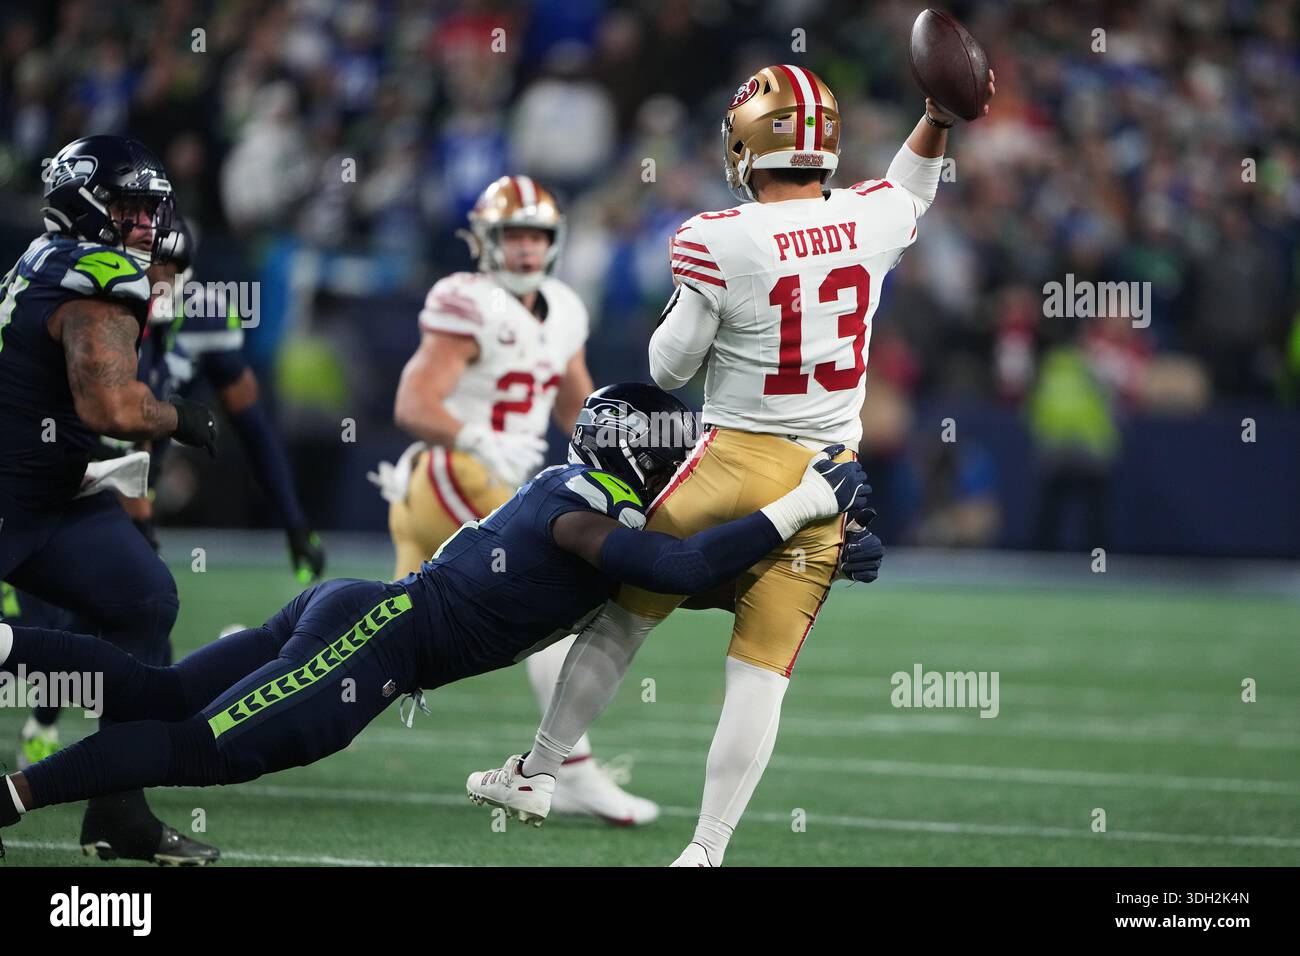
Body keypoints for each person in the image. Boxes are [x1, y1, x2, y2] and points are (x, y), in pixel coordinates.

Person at [468, 63, 992, 865]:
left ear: (749, 143)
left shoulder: (717, 236)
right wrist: (938, 116)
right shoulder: (871, 219)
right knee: (761, 673)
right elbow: (910, 186)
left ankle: (538, 770)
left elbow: (669, 368)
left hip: (727, 457)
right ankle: (706, 851)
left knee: (624, 618)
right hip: (825, 477)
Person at [0, 383, 876, 857]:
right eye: (676, 454)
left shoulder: (593, 507)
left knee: (162, 690)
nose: (688, 470)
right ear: (640, 455)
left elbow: (684, 579)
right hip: (372, 643)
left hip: (366, 618)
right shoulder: (580, 514)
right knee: (197, 744)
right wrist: (800, 506)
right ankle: (17, 794)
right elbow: (680, 564)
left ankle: (6, 645)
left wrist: (813, 556)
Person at [375, 176, 658, 823]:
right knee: (558, 590)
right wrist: (474, 435)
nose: (526, 249)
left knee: (379, 647)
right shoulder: (466, 300)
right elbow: (413, 403)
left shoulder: (561, 307)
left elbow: (584, 414)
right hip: (456, 473)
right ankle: (564, 769)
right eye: (513, 235)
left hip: (500, 490)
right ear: (483, 241)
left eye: (537, 236)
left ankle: (252, 653)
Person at [0, 135, 220, 864]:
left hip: (50, 495)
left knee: (143, 601)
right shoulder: (97, 275)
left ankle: (117, 809)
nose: (143, 224)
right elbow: (112, 408)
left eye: (149, 208)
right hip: (14, 495)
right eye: (127, 206)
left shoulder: (46, 258)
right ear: (82, 201)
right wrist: (183, 418)